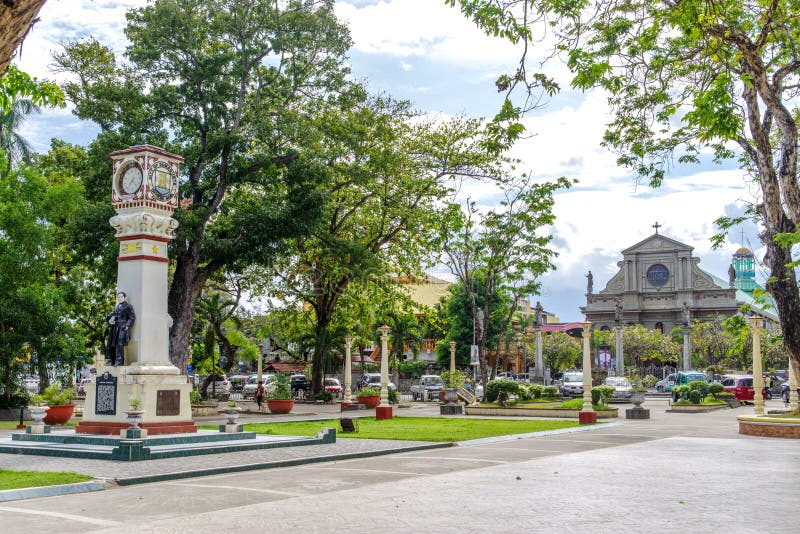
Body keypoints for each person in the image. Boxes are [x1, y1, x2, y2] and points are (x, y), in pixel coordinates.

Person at [105, 291, 135, 366]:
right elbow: (112, 316)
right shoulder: (117, 307)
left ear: (125, 298)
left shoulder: (128, 306)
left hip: (123, 327)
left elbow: (132, 317)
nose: (120, 298)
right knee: (113, 343)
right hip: (115, 328)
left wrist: (127, 325)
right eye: (118, 297)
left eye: (121, 297)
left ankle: (119, 361)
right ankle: (112, 359)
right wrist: (110, 321)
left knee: (120, 344)